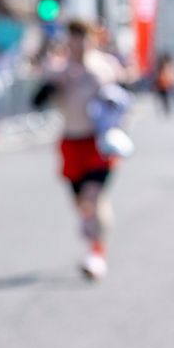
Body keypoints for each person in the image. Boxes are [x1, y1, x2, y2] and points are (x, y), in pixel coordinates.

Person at [41, 19, 126, 280]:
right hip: (71, 140)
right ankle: (92, 233)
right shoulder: (59, 69)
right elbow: (39, 98)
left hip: (97, 142)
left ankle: (97, 255)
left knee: (94, 198)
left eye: (83, 37)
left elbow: (122, 100)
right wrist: (56, 85)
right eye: (73, 37)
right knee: (81, 203)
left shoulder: (105, 67)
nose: (78, 43)